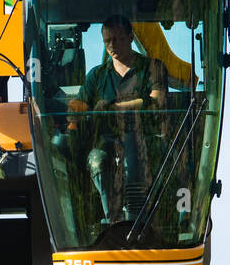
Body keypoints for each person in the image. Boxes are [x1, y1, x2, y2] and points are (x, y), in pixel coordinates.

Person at [66, 15, 167, 223]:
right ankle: (114, 221)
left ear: (131, 37)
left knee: (135, 162)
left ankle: (143, 219)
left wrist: (112, 107)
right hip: (109, 141)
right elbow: (80, 105)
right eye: (107, 41)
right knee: (97, 161)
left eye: (118, 39)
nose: (112, 45)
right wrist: (77, 110)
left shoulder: (153, 68)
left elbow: (156, 101)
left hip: (147, 139)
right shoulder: (97, 76)